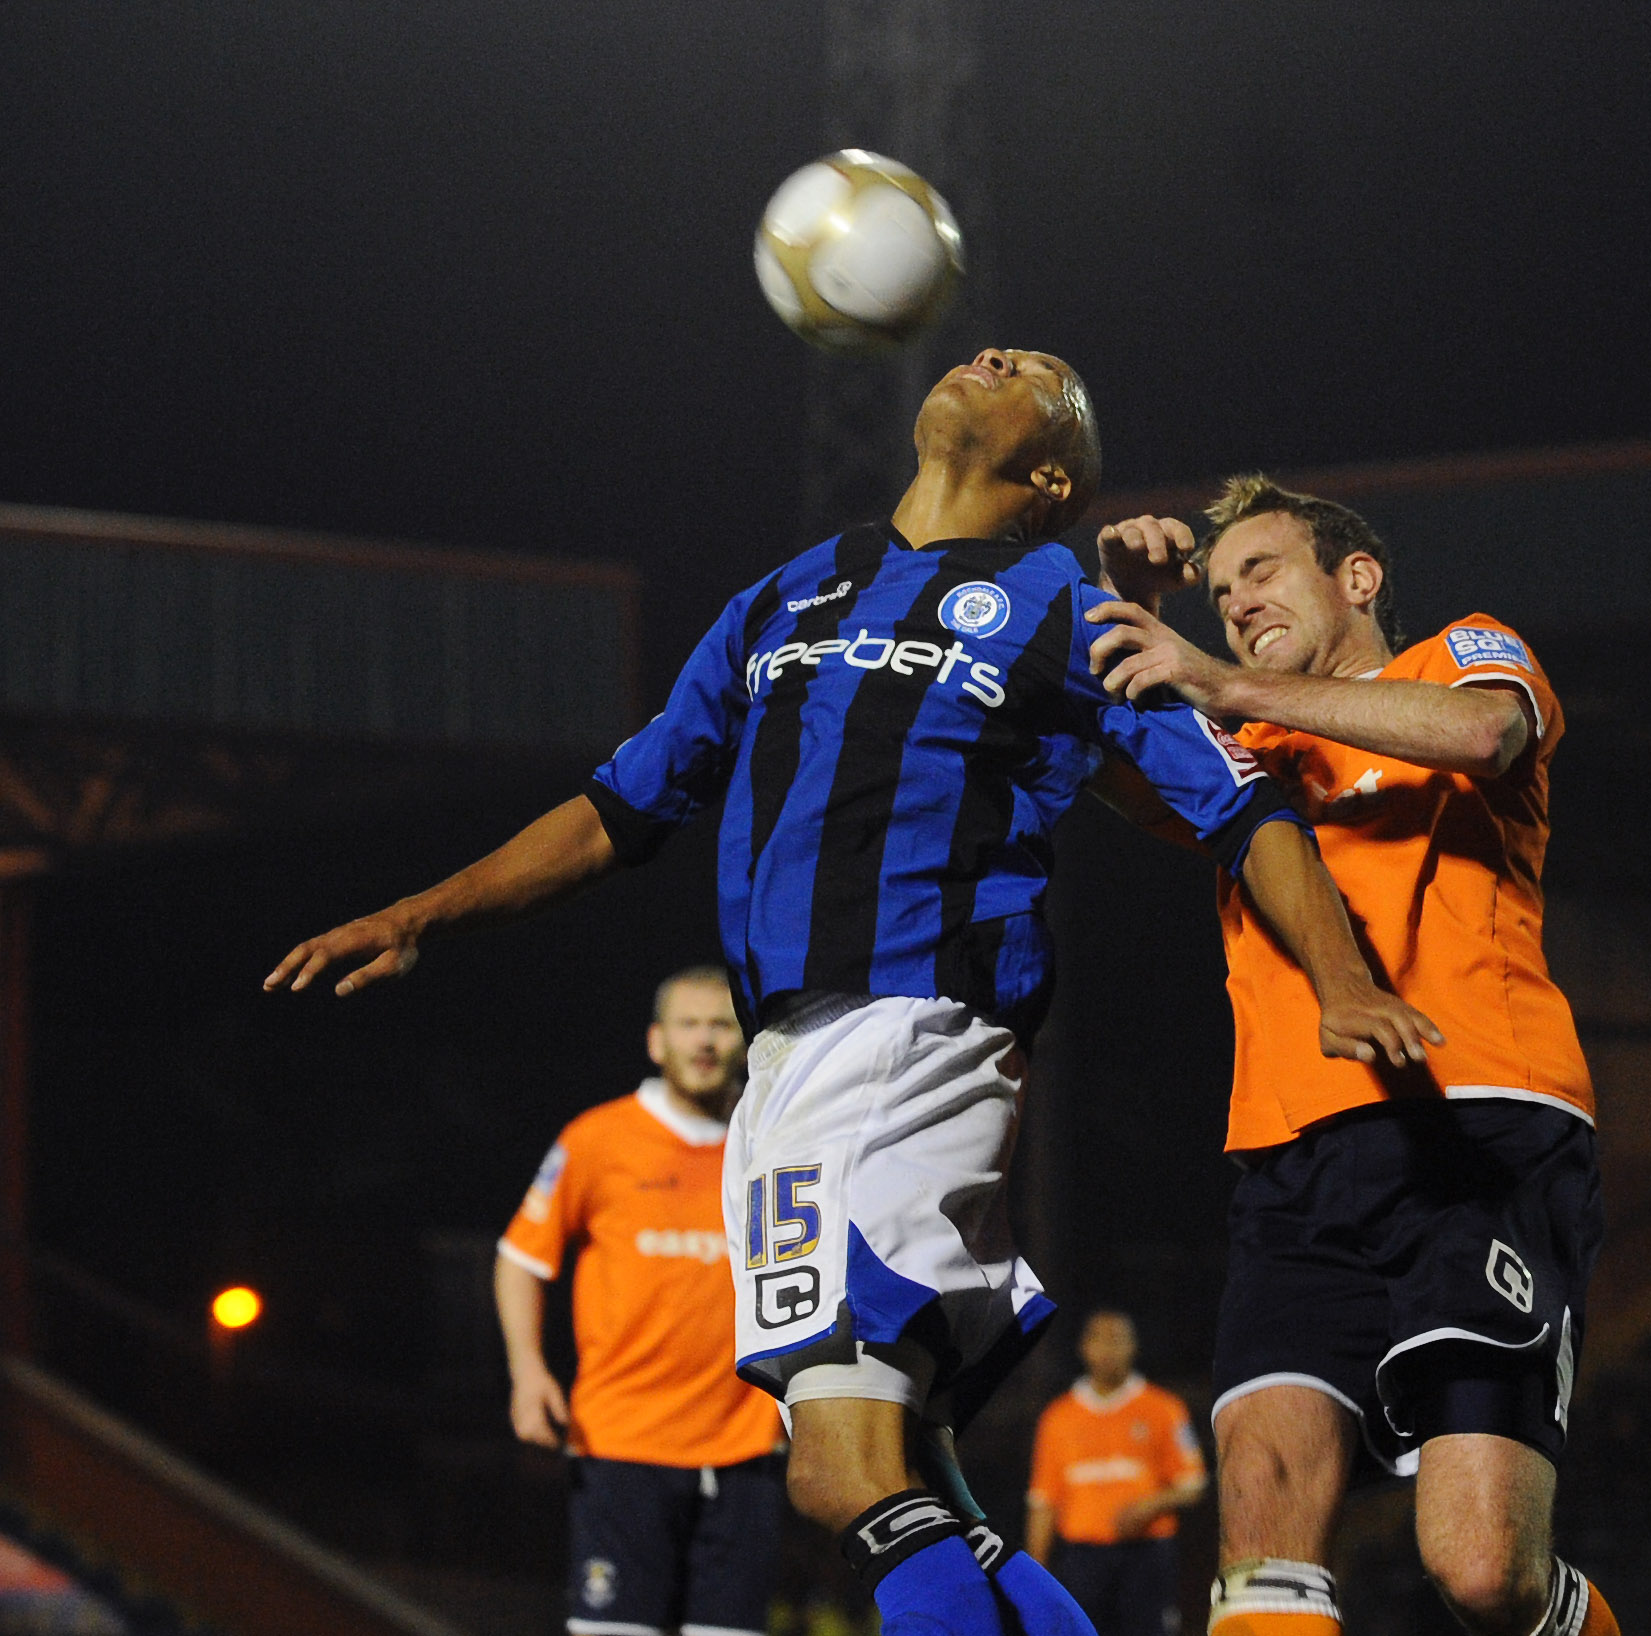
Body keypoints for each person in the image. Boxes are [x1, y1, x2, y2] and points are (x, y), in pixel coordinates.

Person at [264, 353, 1440, 1636]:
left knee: (837, 1472)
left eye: (1041, 375)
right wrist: (421, 911)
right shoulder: (784, 592)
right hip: (799, 1063)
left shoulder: (1056, 599)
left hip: (903, 1033)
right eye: (995, 349)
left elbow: (1237, 801)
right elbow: (620, 806)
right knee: (914, 1478)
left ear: (1050, 474)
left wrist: (1341, 978)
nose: (996, 356)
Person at [1082, 481, 1617, 1636]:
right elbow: (1116, 774)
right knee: (1262, 1521)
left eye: (1262, 571)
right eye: (1219, 596)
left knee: (1484, 1573)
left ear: (1356, 577)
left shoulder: (1462, 654)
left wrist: (1223, 681)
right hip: (1289, 1155)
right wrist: (1117, 616)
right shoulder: (1240, 748)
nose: (1235, 605)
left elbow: (1485, 732)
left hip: (1478, 1129)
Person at [495, 967, 786, 1636]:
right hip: (622, 1443)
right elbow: (519, 1259)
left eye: (721, 1025)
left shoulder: (774, 1142)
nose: (705, 1041)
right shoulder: (598, 1140)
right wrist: (527, 1370)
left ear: (745, 1041)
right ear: (658, 1042)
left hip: (748, 1448)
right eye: (689, 1024)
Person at [1027, 1311, 1207, 1636]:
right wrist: (1035, 1569)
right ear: (1084, 1347)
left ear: (1133, 1347)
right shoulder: (1058, 1417)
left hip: (1146, 1554)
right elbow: (1043, 1500)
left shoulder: (1164, 1408)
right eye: (1099, 1339)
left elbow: (1193, 1485)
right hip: (1082, 1557)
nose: (1108, 1350)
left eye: (1117, 1340)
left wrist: (1148, 1506)